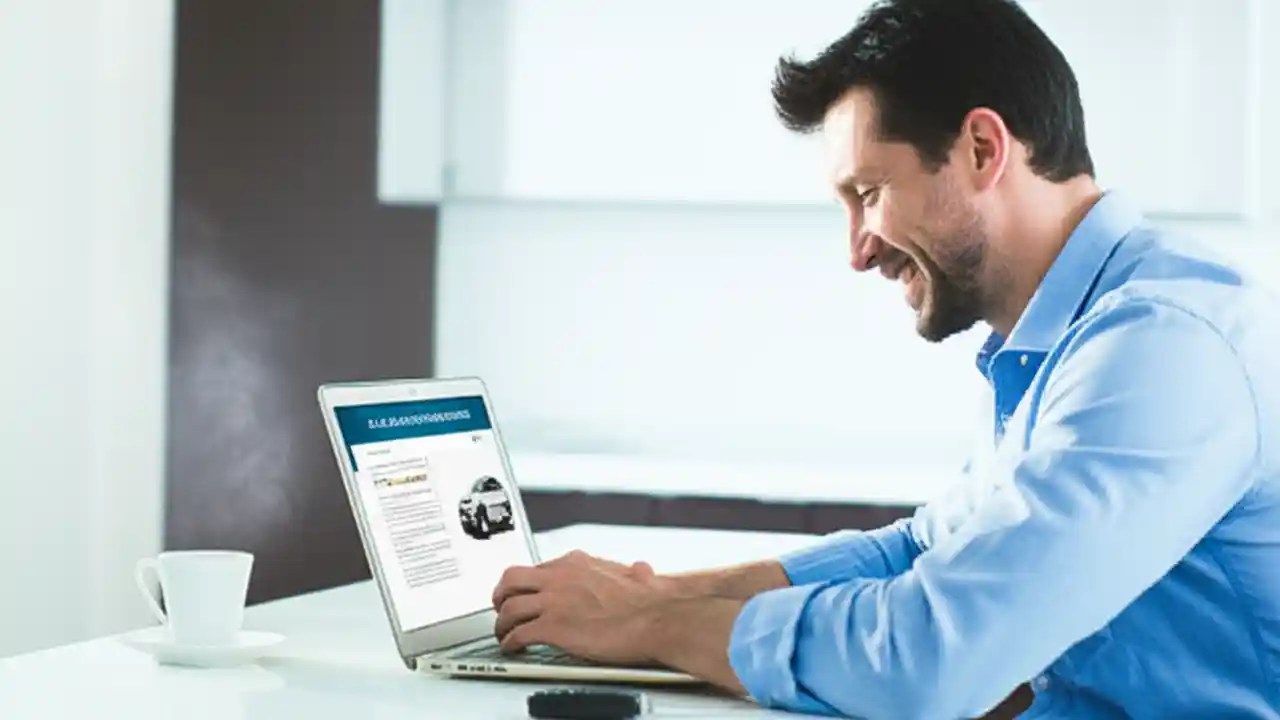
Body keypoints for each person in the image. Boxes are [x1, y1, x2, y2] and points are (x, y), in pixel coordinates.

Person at [490, 0, 1280, 716]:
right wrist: (657, 593)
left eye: (868, 193)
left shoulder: (1163, 350)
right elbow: (928, 549)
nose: (857, 252)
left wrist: (652, 624)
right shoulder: (1056, 344)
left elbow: (932, 659)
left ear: (980, 147)